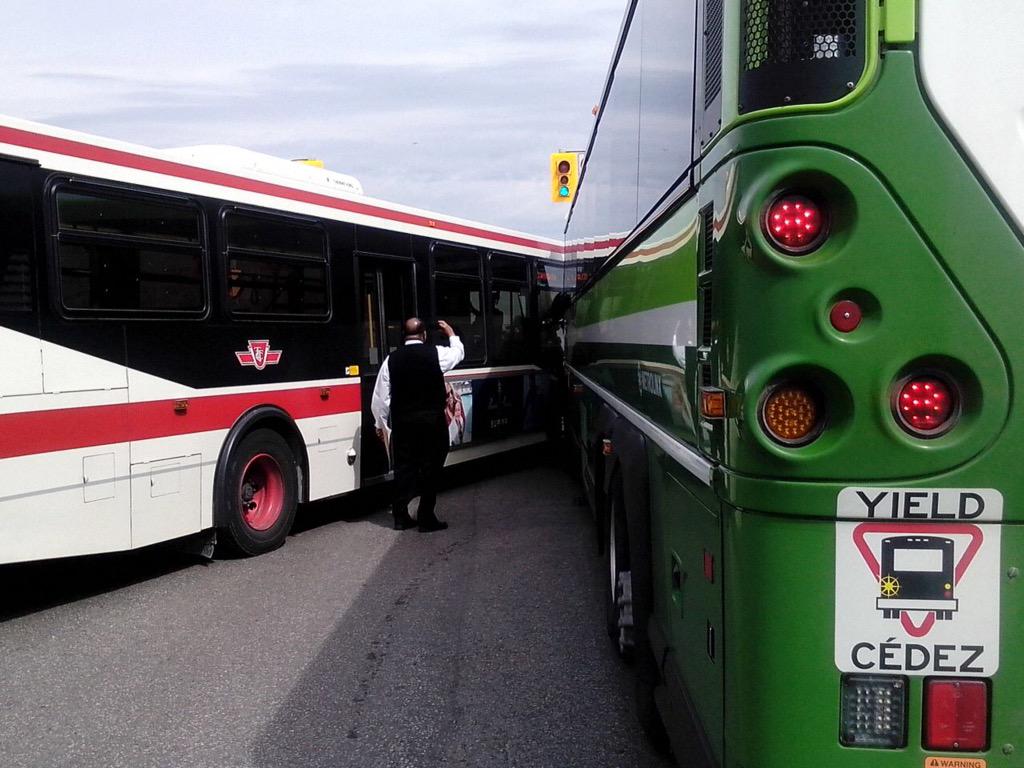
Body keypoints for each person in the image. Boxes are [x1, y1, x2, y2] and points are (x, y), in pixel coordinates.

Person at [370, 317, 464, 532]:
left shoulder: (390, 360)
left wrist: (379, 423)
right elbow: (458, 353)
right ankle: (426, 517)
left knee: (404, 468)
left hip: (404, 424)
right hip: (432, 423)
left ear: (404, 337)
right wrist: (451, 333)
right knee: (432, 467)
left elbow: (381, 397)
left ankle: (401, 517)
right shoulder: (436, 353)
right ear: (423, 335)